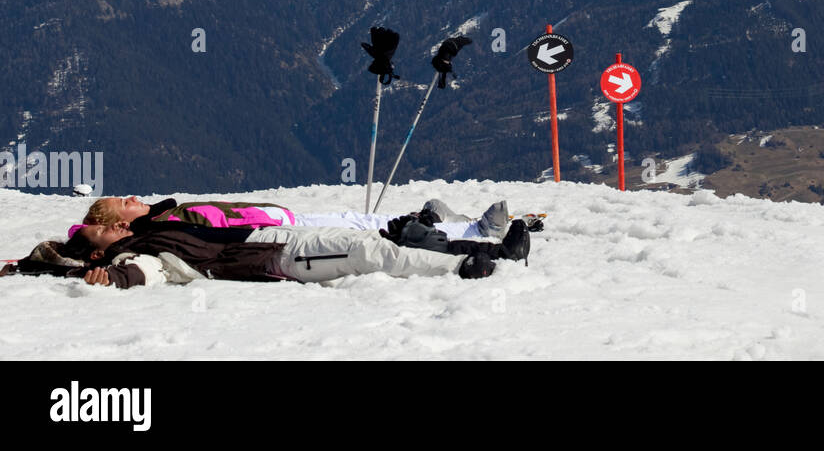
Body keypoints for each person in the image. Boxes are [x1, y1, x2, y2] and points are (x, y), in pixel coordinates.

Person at [57, 208, 530, 288]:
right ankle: (466, 266)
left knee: (373, 240)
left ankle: (495, 251)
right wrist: (114, 277)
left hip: (272, 239)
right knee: (372, 255)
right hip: (276, 259)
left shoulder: (145, 231)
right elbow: (146, 272)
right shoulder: (133, 255)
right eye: (105, 233)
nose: (116, 229)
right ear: (98, 252)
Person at [77, 195, 507, 242]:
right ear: (123, 222)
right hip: (274, 230)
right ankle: (474, 233)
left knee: (355, 218)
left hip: (283, 216)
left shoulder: (165, 212)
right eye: (124, 203)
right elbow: (80, 237)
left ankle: (437, 221)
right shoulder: (162, 226)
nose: (133, 198)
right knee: (366, 231)